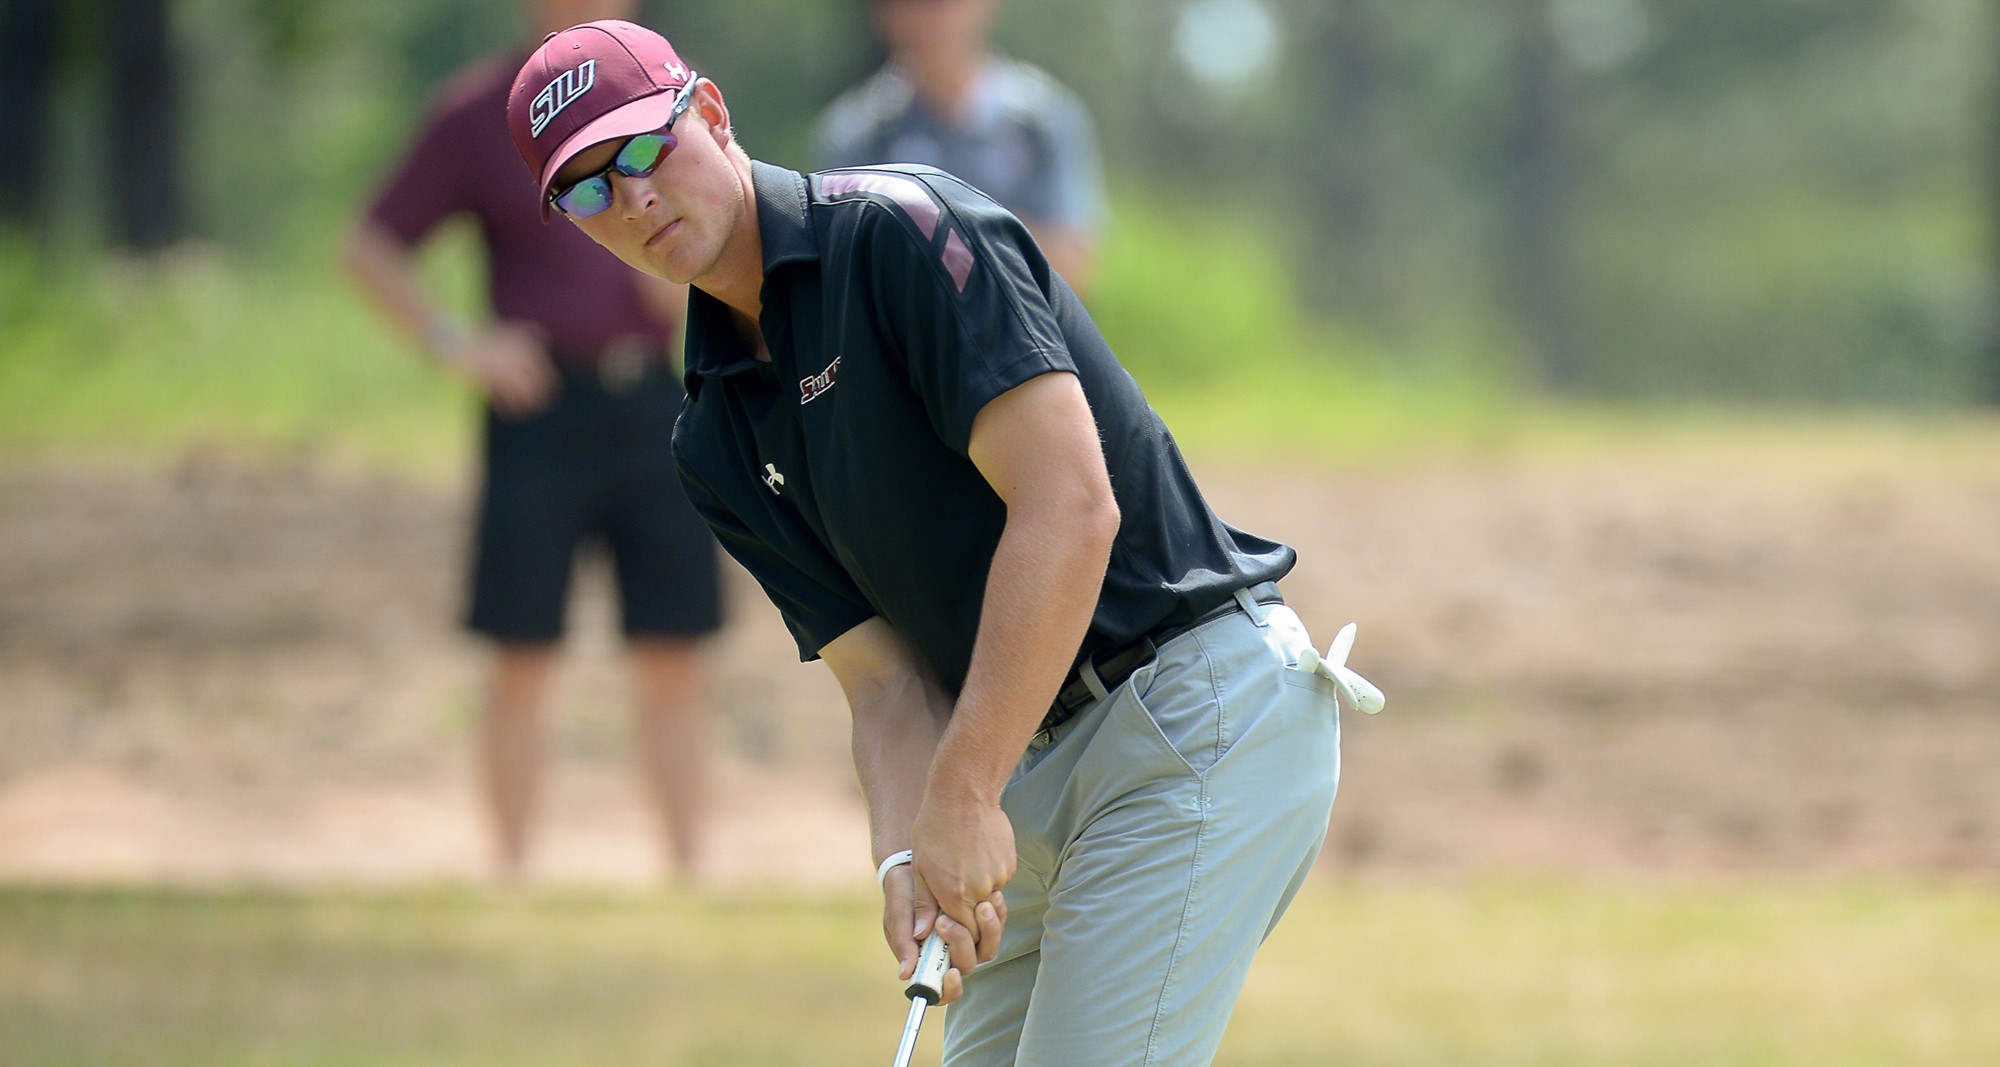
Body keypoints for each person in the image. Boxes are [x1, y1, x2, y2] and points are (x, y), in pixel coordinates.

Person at [506, 21, 1368, 1062]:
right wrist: (907, 856)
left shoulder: (900, 233)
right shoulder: (711, 436)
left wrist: (960, 794)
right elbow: (881, 684)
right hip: (1021, 762)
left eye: (645, 147)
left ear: (715, 114)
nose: (633, 197)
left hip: (1187, 710)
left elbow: (1068, 507)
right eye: (587, 189)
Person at [340, 0, 724, 884]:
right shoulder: (478, 113)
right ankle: (511, 876)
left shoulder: (659, 96)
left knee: (673, 650)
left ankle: (690, 876)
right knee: (521, 649)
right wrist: (456, 342)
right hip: (537, 408)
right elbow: (369, 245)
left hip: (655, 398)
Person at [814, 0, 1105, 295]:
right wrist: (1007, 238)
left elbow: (1071, 267)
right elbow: (847, 268)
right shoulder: (857, 131)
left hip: (1020, 335)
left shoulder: (1046, 120)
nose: (934, 17)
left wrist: (924, 237)